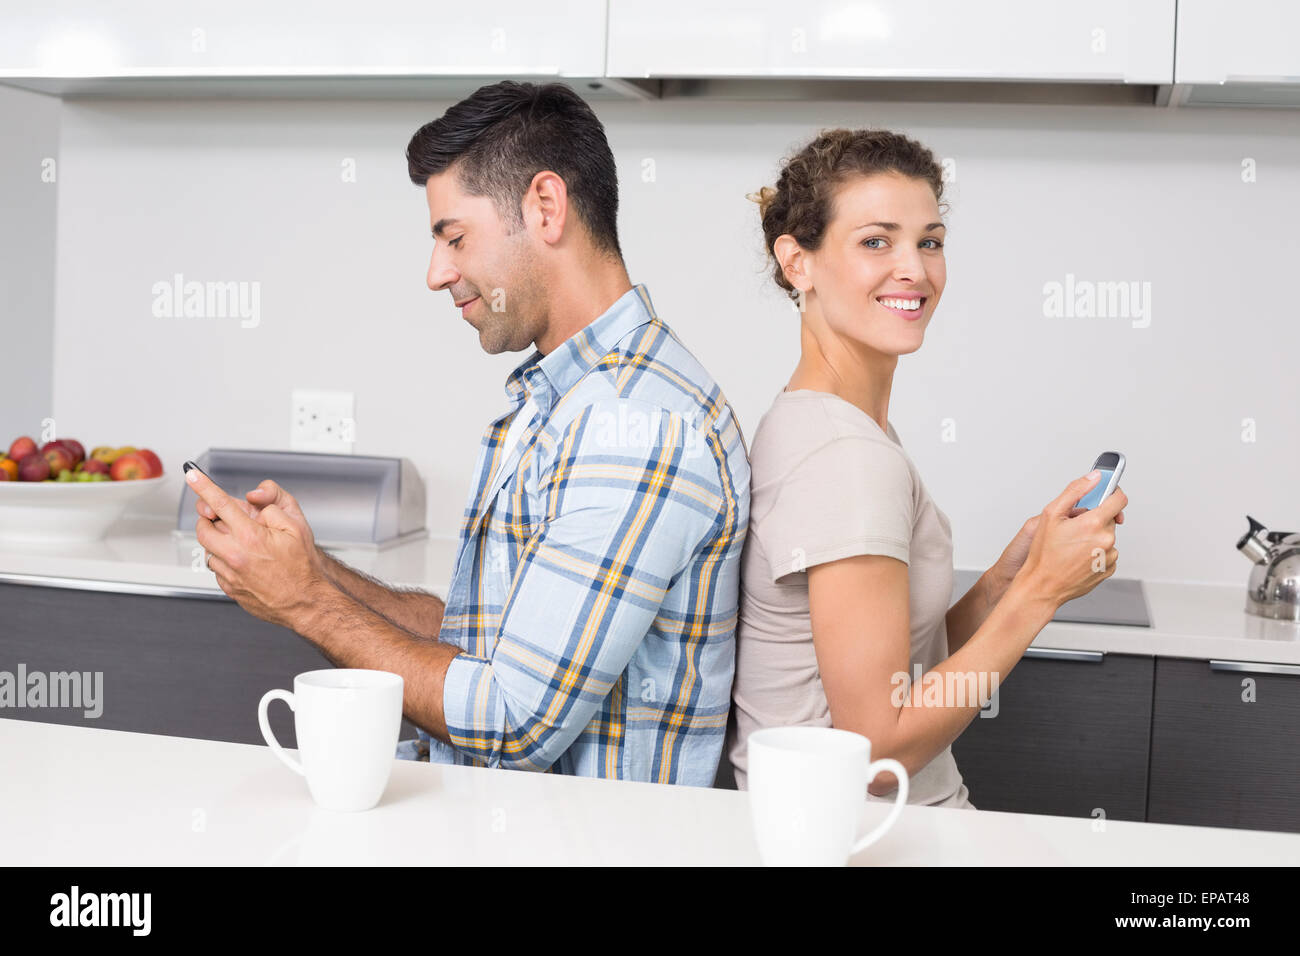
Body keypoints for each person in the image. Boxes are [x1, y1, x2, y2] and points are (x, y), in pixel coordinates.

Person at [189, 81, 750, 786]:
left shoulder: (635, 425)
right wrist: (311, 570)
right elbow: (485, 647)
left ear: (545, 207)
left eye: (455, 237)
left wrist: (305, 601)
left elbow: (511, 722)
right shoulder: (572, 396)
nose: (436, 273)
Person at [724, 128, 1126, 805]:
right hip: (874, 838)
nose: (914, 268)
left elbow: (900, 660)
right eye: (876, 241)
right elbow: (877, 745)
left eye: (929, 241)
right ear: (799, 263)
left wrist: (1009, 577)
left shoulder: (823, 422)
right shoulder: (846, 459)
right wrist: (1043, 593)